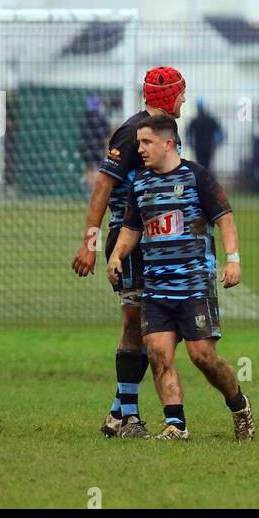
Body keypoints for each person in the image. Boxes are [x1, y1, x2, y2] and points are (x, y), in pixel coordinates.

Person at [107, 115, 254, 441]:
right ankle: (176, 425)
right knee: (159, 355)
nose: (140, 149)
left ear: (168, 143)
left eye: (146, 142)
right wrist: (117, 255)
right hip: (156, 287)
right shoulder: (141, 184)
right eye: (139, 143)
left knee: (203, 357)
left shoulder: (196, 176)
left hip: (194, 285)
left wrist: (233, 260)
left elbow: (225, 219)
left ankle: (239, 404)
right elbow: (132, 228)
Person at [71, 66, 188, 439]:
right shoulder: (132, 131)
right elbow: (102, 188)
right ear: (170, 97)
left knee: (160, 325)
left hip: (158, 243)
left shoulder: (166, 131)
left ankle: (118, 412)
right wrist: (89, 245)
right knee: (135, 325)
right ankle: (129, 418)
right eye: (182, 93)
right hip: (129, 240)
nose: (185, 99)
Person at [186, 98, 224, 174]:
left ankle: (204, 180)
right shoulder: (207, 120)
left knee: (202, 165)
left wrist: (218, 141)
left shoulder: (196, 121)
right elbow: (188, 132)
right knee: (205, 165)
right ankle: (206, 180)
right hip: (205, 146)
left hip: (203, 146)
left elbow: (219, 131)